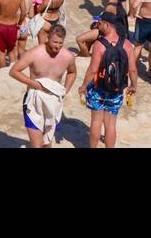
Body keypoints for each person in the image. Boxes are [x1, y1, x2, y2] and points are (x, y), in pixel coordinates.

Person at [10, 24, 77, 147]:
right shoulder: (35, 53)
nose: (57, 46)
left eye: (60, 43)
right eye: (55, 42)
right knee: (37, 145)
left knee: (47, 142)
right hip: (33, 101)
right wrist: (34, 84)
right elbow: (13, 71)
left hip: (53, 101)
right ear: (47, 38)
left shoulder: (68, 56)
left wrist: (65, 90)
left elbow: (72, 73)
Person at [81, 12, 137, 148]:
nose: (98, 26)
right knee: (111, 124)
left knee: (96, 122)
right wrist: (133, 86)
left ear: (107, 25)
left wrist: (83, 86)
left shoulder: (99, 45)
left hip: (98, 89)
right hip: (116, 89)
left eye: (99, 23)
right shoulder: (127, 44)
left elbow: (93, 69)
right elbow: (133, 69)